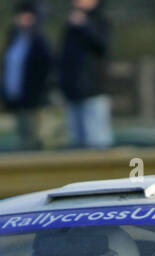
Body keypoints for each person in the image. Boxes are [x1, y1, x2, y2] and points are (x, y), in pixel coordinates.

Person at [0, 1, 54, 150]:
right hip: (18, 100)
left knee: (35, 140)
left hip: (34, 102)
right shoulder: (14, 40)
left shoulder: (40, 41)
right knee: (23, 140)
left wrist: (38, 92)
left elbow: (46, 70)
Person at [59, 0, 113, 148]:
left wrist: (84, 26)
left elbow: (103, 46)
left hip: (93, 92)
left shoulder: (101, 20)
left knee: (97, 141)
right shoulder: (71, 25)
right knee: (77, 143)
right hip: (73, 92)